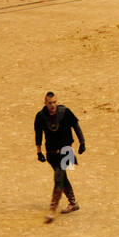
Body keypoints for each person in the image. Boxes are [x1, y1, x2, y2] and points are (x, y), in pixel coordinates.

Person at [34, 91, 84, 223]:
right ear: (45, 103)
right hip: (51, 153)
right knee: (63, 177)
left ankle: (52, 208)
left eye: (54, 102)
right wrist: (39, 152)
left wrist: (82, 142)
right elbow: (38, 135)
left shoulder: (65, 112)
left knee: (59, 177)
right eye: (50, 103)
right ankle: (73, 203)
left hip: (67, 150)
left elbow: (76, 126)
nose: (53, 105)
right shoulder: (40, 117)